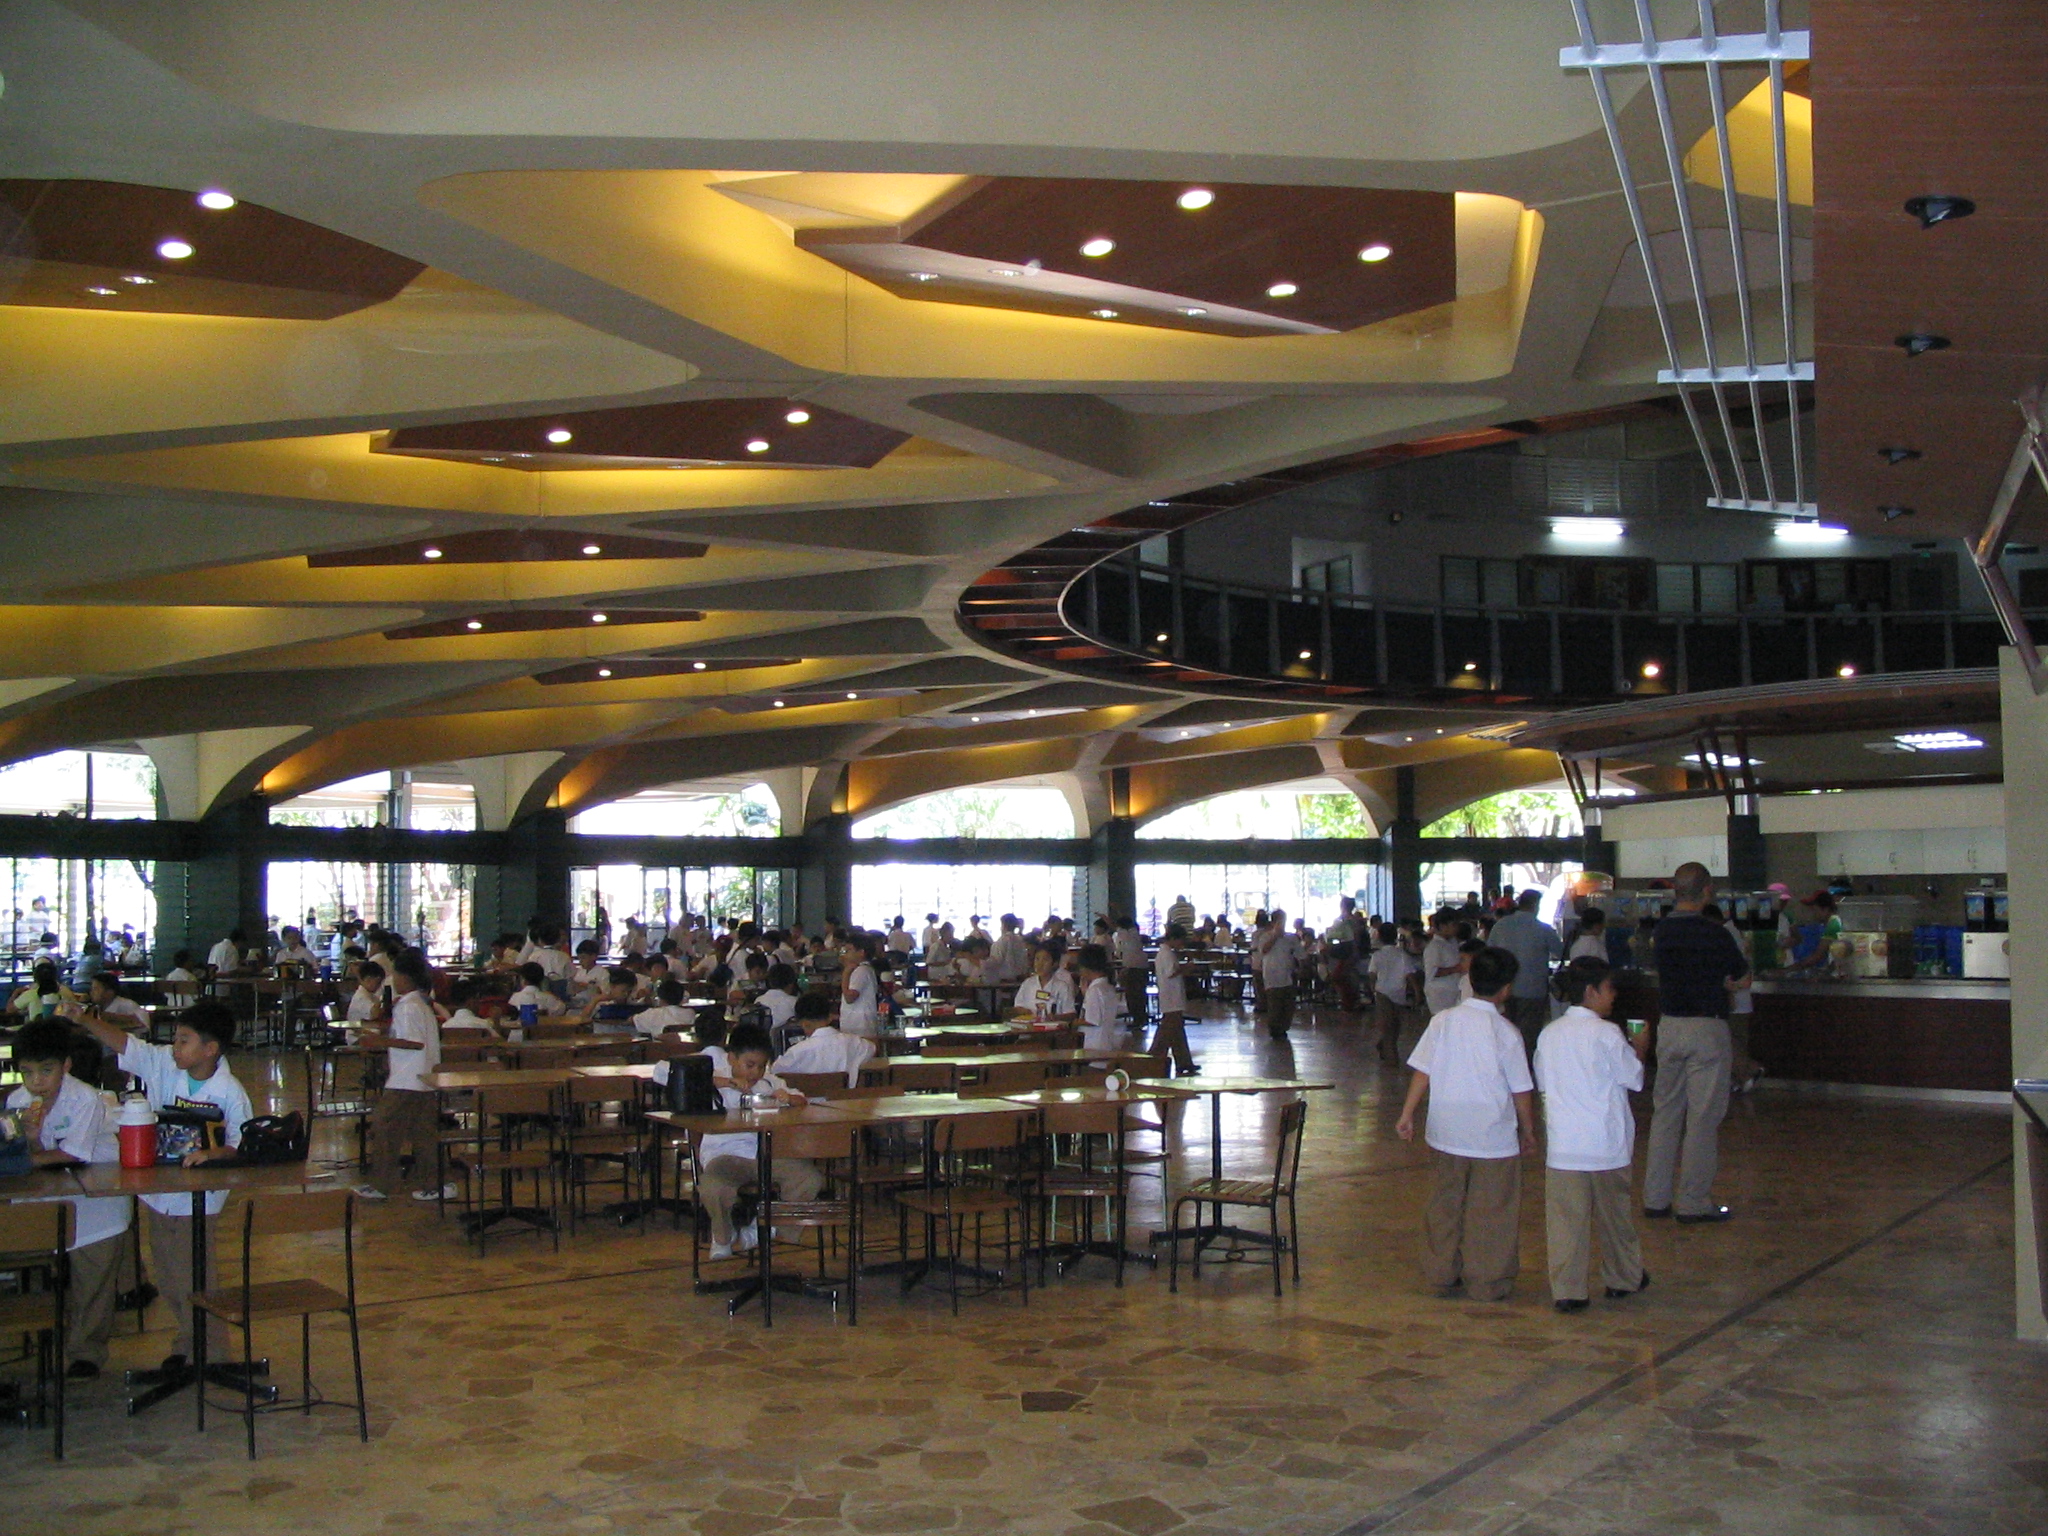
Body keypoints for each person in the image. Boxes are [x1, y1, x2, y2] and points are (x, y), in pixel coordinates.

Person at [69, 998, 250, 1377]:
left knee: (197, 1277)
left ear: (210, 1049)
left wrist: (213, 1154)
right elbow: (125, 1044)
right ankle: (187, 1344)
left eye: (184, 1040)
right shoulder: (165, 1066)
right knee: (169, 1277)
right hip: (160, 1195)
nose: (175, 1047)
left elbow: (241, 1143)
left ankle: (212, 1354)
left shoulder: (230, 1091)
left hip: (198, 1202)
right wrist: (83, 1018)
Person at [1395, 947, 1537, 1303]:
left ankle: (1442, 1273)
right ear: (1506, 988)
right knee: (1492, 1210)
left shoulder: (1443, 1021)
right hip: (1492, 1136)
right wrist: (1529, 1130)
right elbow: (1521, 1090)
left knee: (1445, 1205)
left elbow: (1423, 1070)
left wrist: (1407, 1113)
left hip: (1446, 1131)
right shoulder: (1506, 1032)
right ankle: (1488, 1281)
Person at [6, 1019, 131, 1378]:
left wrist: (23, 1158)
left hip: (96, 1197)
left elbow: (74, 1153)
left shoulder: (86, 1098)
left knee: (93, 1277)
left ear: (66, 1065)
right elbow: (30, 1151)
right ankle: (38, 1337)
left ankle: (86, 1352)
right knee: (40, 1266)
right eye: (27, 1072)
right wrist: (29, 1137)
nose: (37, 1081)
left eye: (46, 1070)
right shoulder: (18, 1101)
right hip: (47, 1196)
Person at [1534, 957, 1651, 1313]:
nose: (1613, 996)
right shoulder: (1607, 1033)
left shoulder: (1549, 1033)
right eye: (1609, 988)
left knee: (1566, 1221)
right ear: (1591, 991)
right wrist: (1641, 1045)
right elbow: (1634, 1078)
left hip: (1565, 1144)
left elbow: (1542, 1082)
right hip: (1605, 1143)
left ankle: (1568, 1290)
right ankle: (1622, 1277)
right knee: (1615, 1216)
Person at [1644, 861, 1749, 1224]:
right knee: (1702, 1118)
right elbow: (1741, 977)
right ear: (1707, 890)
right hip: (1707, 1027)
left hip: (1669, 1026)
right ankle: (1693, 1201)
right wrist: (1728, 985)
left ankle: (1655, 1198)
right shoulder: (1715, 932)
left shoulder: (1662, 931)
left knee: (1665, 1113)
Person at [695, 1023, 824, 1259]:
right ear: (731, 1058)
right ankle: (723, 1236)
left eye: (761, 1066)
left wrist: (789, 1098)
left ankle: (768, 1228)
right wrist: (727, 1082)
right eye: (749, 1065)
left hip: (765, 1155)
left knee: (809, 1179)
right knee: (714, 1187)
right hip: (724, 1156)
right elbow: (683, 1079)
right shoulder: (715, 1079)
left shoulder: (769, 1082)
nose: (755, 1072)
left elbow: (801, 1100)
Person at [355, 950, 446, 1203]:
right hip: (425, 1078)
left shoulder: (408, 1007)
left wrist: (379, 1040)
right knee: (423, 1135)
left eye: (394, 973)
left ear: (404, 977)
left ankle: (381, 1184)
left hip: (406, 1080)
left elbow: (414, 1043)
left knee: (384, 1129)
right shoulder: (421, 1004)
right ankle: (435, 1183)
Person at [1487, 890, 1564, 1056]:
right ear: (1535, 905)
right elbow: (1561, 952)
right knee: (1528, 1035)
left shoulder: (1500, 926)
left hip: (1503, 989)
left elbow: (1489, 952)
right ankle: (1526, 1069)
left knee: (1504, 1032)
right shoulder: (1543, 929)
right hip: (1533, 990)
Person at [774, 991, 875, 1086]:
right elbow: (872, 1048)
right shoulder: (856, 1042)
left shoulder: (797, 1051)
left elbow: (775, 1071)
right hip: (845, 1101)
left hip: (808, 1102)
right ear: (830, 1017)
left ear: (804, 1023)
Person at [1364, 923, 1418, 1064]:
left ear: (1379, 937)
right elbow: (1410, 976)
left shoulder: (1377, 955)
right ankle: (1391, 1054)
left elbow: (1372, 975)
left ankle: (1387, 1051)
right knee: (1395, 1026)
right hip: (1399, 994)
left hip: (1382, 993)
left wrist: (1372, 990)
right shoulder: (1402, 955)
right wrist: (1418, 993)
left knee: (1387, 1026)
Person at [1150, 922, 1195, 1074]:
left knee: (1177, 1032)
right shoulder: (1167, 954)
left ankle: (1184, 1062)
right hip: (1171, 998)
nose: (1181, 944)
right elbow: (1171, 972)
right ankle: (1153, 1059)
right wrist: (1186, 967)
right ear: (1174, 938)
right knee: (1168, 1030)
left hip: (1172, 997)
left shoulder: (1166, 953)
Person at [1258, 907, 1300, 1039]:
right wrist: (1275, 936)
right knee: (1275, 1002)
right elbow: (1263, 950)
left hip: (1287, 974)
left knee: (1288, 1004)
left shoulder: (1291, 938)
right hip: (1272, 974)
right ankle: (1275, 1029)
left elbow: (1299, 954)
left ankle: (1284, 1027)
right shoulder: (1265, 936)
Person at [1076, 943, 1124, 1053]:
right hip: (1106, 1042)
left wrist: (1073, 1023)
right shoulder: (1107, 986)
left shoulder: (1095, 990)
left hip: (1094, 1045)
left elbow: (1092, 1020)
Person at [1012, 942, 1077, 1023]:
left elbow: (1071, 1014)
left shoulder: (1061, 986)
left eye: (1045, 960)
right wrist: (1025, 1012)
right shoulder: (1027, 984)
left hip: (1053, 1032)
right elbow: (1017, 1007)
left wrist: (1055, 1017)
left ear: (1054, 963)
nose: (1040, 964)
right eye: (1037, 959)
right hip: (1029, 1029)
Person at [1421, 910, 1465, 1018]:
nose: (1456, 928)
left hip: (1453, 990)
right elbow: (1433, 971)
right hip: (1440, 993)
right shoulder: (1434, 947)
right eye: (1453, 925)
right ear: (1442, 926)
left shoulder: (1453, 942)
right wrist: (1457, 968)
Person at [838, 932, 881, 1038]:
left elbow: (850, 997)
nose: (845, 954)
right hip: (858, 1025)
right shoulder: (864, 969)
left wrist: (845, 974)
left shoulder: (861, 971)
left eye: (849, 950)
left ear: (861, 952)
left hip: (859, 1026)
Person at [1113, 913, 1149, 1028]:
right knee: (1138, 995)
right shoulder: (1133, 934)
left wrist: (1105, 917)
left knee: (1133, 996)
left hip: (1134, 969)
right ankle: (1140, 1018)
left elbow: (1113, 926)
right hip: (1139, 968)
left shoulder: (1128, 934)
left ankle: (1138, 1019)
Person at [988, 913, 1030, 986]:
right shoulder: (1019, 939)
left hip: (1004, 979)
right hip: (1020, 978)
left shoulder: (1003, 940)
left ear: (1003, 925)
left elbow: (996, 960)